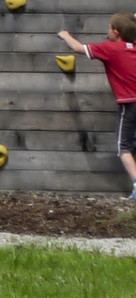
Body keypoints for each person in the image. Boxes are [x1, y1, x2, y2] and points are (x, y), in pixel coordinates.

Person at [58, 12, 136, 197]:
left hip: (130, 104)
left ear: (116, 33)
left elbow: (78, 47)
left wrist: (65, 35)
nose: (107, 32)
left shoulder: (110, 48)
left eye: (109, 28)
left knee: (123, 147)